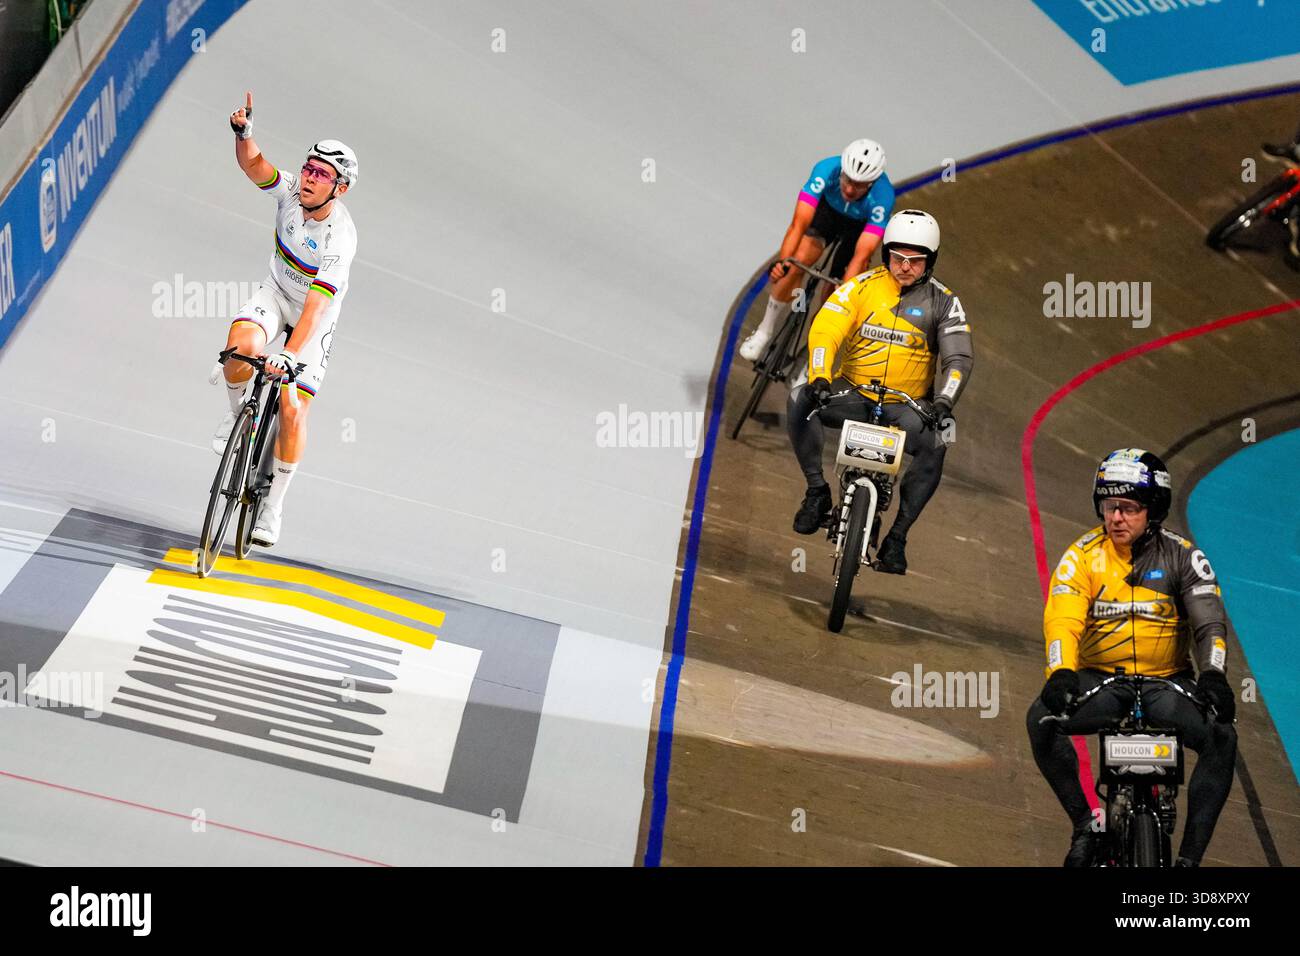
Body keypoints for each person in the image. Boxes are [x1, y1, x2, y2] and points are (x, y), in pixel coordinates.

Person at [1026, 449, 1239, 867]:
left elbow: (1208, 623)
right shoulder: (1082, 556)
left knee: (1223, 738)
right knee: (1042, 721)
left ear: (1153, 510)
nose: (1116, 518)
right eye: (1109, 507)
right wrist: (1061, 672)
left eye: (1128, 508)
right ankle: (1087, 823)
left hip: (1168, 683)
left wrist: (1213, 674)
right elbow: (1063, 621)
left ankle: (1189, 860)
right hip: (1100, 680)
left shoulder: (1184, 556)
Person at [786, 209, 971, 574]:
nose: (904, 267)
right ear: (886, 253)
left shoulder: (945, 302)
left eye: (915, 261)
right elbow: (826, 327)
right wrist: (821, 376)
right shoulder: (861, 287)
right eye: (897, 258)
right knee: (799, 398)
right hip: (853, 391)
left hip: (907, 405)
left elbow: (958, 357)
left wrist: (945, 402)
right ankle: (816, 492)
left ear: (930, 262)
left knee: (942, 438)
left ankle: (898, 536)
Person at [213, 91, 359, 547]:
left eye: (323, 175)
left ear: (340, 188)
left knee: (294, 409)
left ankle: (273, 507)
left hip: (313, 319)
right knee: (240, 349)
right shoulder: (292, 192)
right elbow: (255, 166)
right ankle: (241, 420)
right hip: (276, 294)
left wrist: (291, 357)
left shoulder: (340, 238)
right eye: (310, 168)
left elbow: (317, 307)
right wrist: (244, 134)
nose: (311, 178)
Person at [738, 139, 895, 361]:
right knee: (797, 261)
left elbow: (862, 256)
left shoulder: (883, 197)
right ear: (842, 171)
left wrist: (843, 294)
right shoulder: (825, 170)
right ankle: (764, 330)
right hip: (827, 214)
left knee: (836, 296)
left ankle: (813, 356)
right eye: (848, 180)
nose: (850, 189)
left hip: (858, 228)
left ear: (871, 183)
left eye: (859, 185)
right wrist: (783, 263)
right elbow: (798, 225)